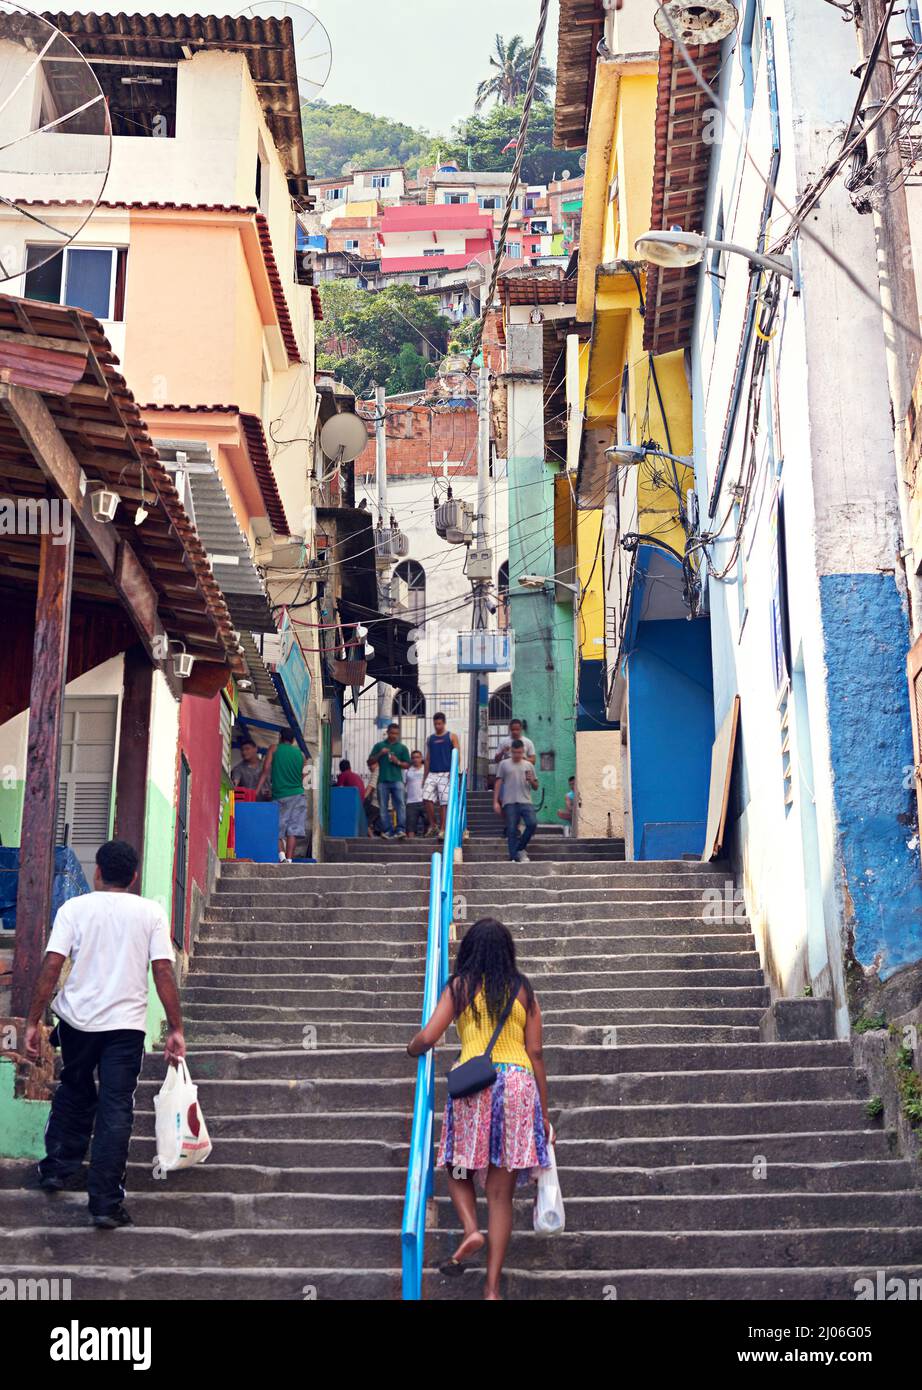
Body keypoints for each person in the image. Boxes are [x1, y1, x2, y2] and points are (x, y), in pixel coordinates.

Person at [23, 839, 185, 1228]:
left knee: (73, 1091)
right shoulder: (151, 913)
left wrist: (32, 1020)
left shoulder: (74, 909)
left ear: (97, 872)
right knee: (116, 1109)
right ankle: (104, 1204)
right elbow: (163, 971)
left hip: (77, 1024)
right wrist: (175, 1028)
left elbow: (51, 965)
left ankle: (57, 1169)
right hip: (125, 1030)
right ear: (133, 877)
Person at [406, 917, 552, 1300]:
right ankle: (491, 1291)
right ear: (508, 952)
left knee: (458, 1165)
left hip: (475, 1085)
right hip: (518, 1086)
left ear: (468, 950)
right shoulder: (524, 991)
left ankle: (472, 1228)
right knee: (501, 1195)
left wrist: (413, 1048)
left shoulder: (460, 987)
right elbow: (535, 1052)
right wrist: (544, 1115)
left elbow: (429, 1035)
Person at [256, 728, 307, 863]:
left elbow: (265, 769)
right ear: (293, 740)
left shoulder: (274, 749)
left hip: (280, 795)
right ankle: (289, 860)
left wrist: (257, 790)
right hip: (298, 795)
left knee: (276, 828)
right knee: (293, 830)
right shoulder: (301, 754)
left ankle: (282, 857)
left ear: (280, 737)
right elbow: (303, 775)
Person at [493, 738, 539, 863]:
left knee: (532, 824)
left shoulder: (528, 765)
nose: (517, 755)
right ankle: (513, 857)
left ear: (523, 752)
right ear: (511, 751)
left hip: (526, 801)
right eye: (515, 752)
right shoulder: (504, 764)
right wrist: (495, 801)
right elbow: (498, 781)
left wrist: (531, 780)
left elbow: (536, 786)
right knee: (512, 829)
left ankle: (520, 848)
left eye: (520, 753)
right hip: (510, 802)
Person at [369, 723, 411, 839]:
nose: (394, 736)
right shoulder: (379, 746)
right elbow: (370, 762)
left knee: (400, 806)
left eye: (396, 734)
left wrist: (397, 762)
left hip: (397, 780)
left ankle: (400, 830)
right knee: (383, 807)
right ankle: (387, 830)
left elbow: (407, 765)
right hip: (382, 781)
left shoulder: (402, 748)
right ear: (387, 732)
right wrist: (380, 754)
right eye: (392, 733)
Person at [423, 711, 460, 838]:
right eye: (435, 724)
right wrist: (424, 776)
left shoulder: (451, 736)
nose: (437, 726)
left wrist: (453, 771)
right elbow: (427, 758)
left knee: (444, 802)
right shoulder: (430, 739)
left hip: (446, 773)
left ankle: (443, 829)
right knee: (426, 797)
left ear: (444, 723)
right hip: (432, 773)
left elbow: (457, 755)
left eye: (439, 724)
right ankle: (433, 825)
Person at [404, 749, 426, 838]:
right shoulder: (407, 771)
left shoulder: (426, 769)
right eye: (413, 758)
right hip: (411, 802)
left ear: (421, 758)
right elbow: (403, 784)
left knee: (428, 826)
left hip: (425, 801)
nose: (415, 759)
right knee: (410, 828)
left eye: (417, 757)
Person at [363, 756, 382, 838]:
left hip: (376, 803)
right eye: (368, 765)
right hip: (383, 802)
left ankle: (371, 837)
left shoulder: (376, 771)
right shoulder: (381, 771)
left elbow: (371, 787)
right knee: (379, 822)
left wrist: (362, 798)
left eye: (371, 765)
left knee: (366, 820)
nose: (369, 767)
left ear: (376, 764)